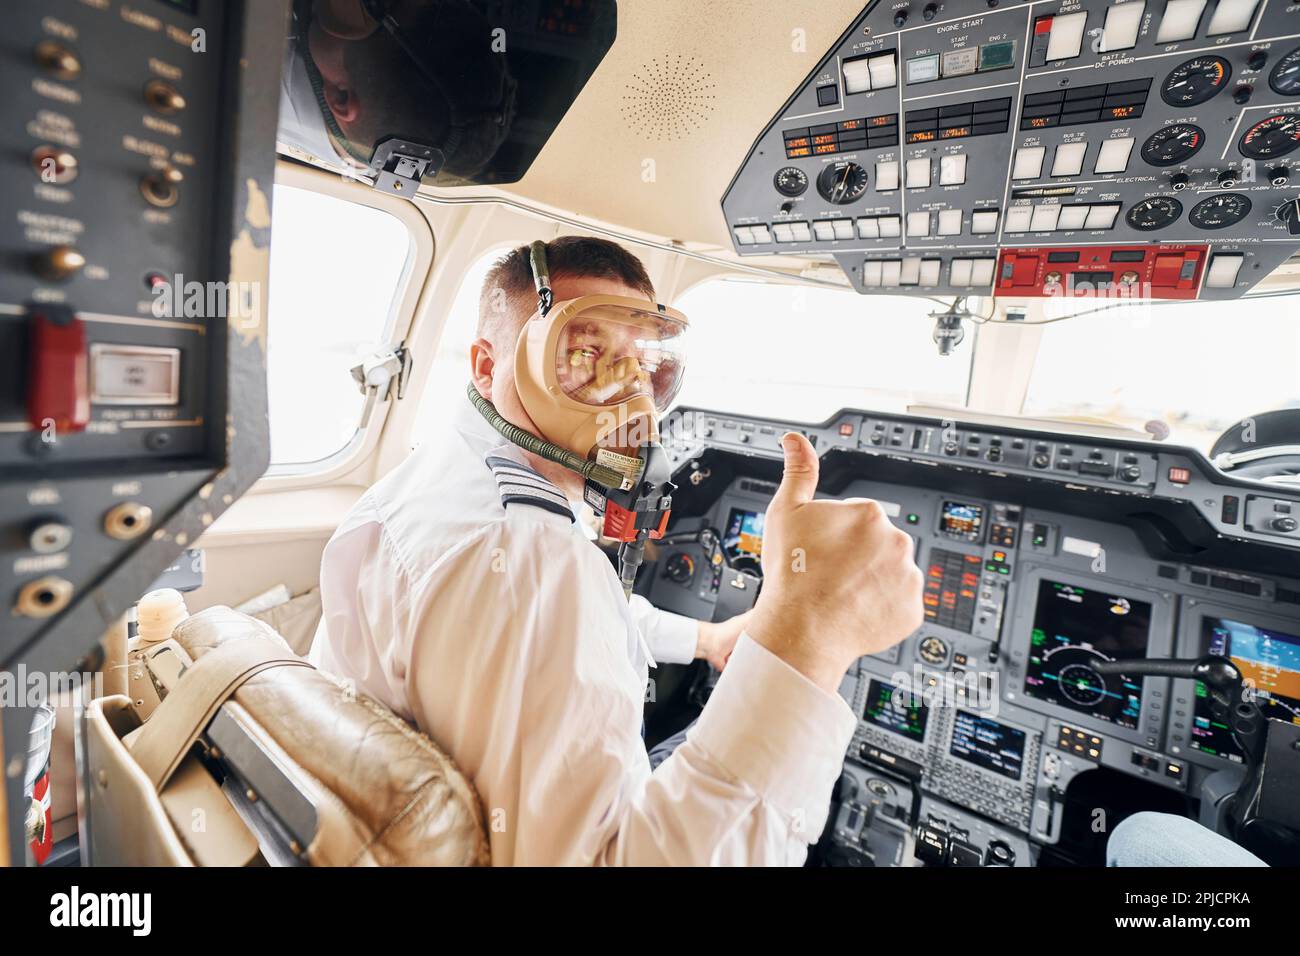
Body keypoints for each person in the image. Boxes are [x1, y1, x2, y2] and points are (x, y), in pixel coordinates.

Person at [311, 236, 924, 864]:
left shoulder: (445, 484)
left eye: (639, 361)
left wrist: (706, 640)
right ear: (488, 367)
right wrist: (806, 638)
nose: (627, 394)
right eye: (584, 353)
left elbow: (572, 623)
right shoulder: (525, 555)